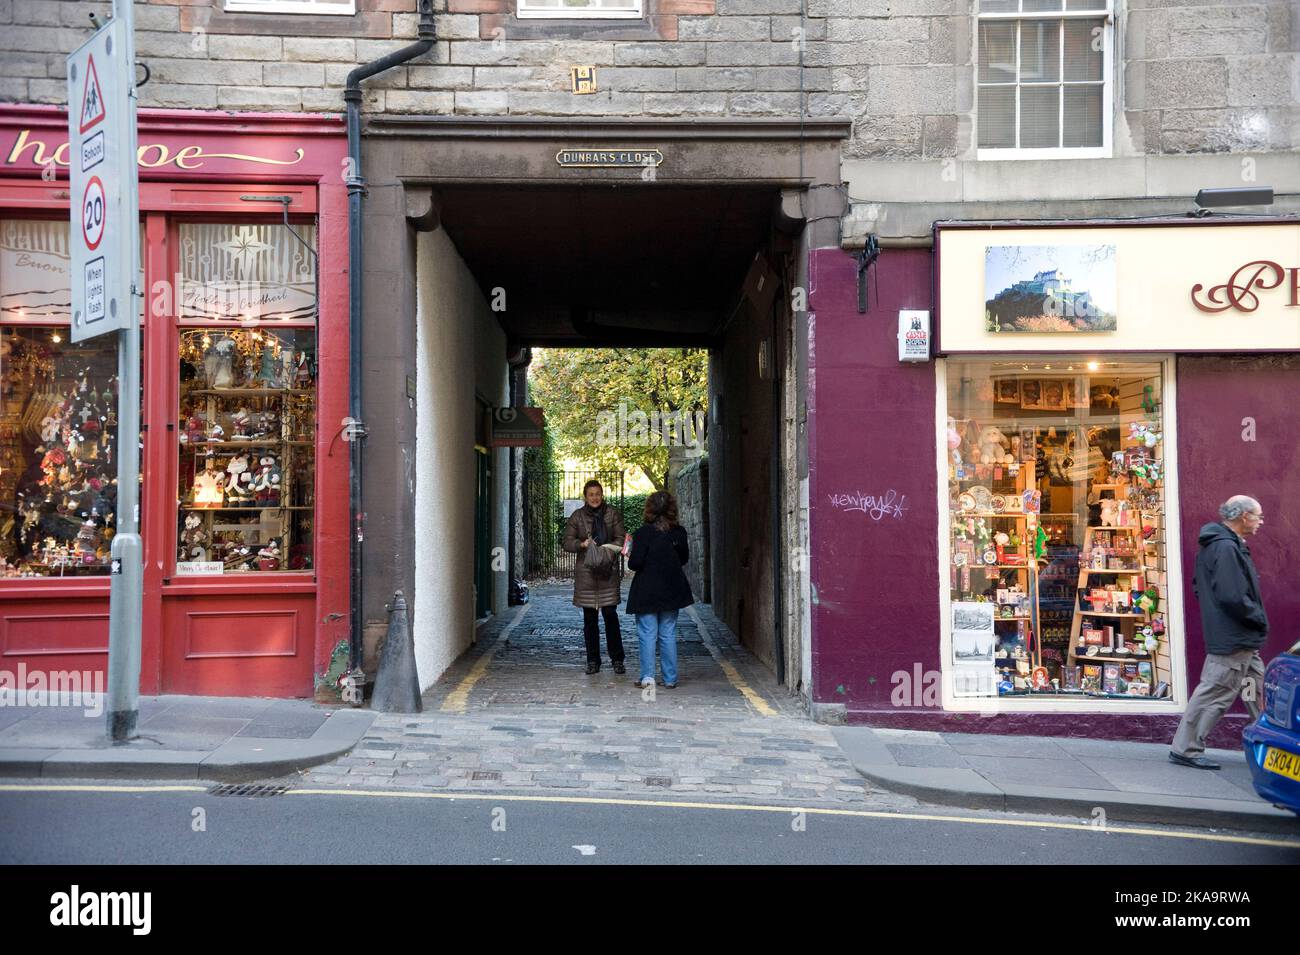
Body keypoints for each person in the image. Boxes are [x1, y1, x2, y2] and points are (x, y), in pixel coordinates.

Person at [1170, 495, 1269, 770]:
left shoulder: (1222, 545)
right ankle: (1186, 748)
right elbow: (1232, 595)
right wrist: (1257, 617)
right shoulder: (1225, 548)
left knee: (1254, 690)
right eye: (1258, 516)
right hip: (1233, 637)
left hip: (1242, 638)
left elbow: (1200, 587)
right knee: (1215, 691)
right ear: (1244, 516)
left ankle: (1267, 744)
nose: (1261, 521)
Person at [625, 490, 694, 689]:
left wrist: (630, 554)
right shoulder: (679, 533)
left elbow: (635, 564)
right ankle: (670, 678)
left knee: (647, 633)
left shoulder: (642, 533)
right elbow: (683, 559)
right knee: (668, 632)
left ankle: (648, 677)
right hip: (672, 587)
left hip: (647, 589)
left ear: (650, 509)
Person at [561, 480, 627, 675]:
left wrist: (607, 551)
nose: (595, 498)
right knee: (589, 621)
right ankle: (593, 661)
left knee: (610, 617)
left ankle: (617, 659)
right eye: (591, 494)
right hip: (587, 574)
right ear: (585, 496)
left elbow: (620, 538)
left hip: (607, 572)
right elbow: (566, 541)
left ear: (602, 494)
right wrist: (581, 544)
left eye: (597, 494)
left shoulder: (612, 514)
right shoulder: (577, 516)